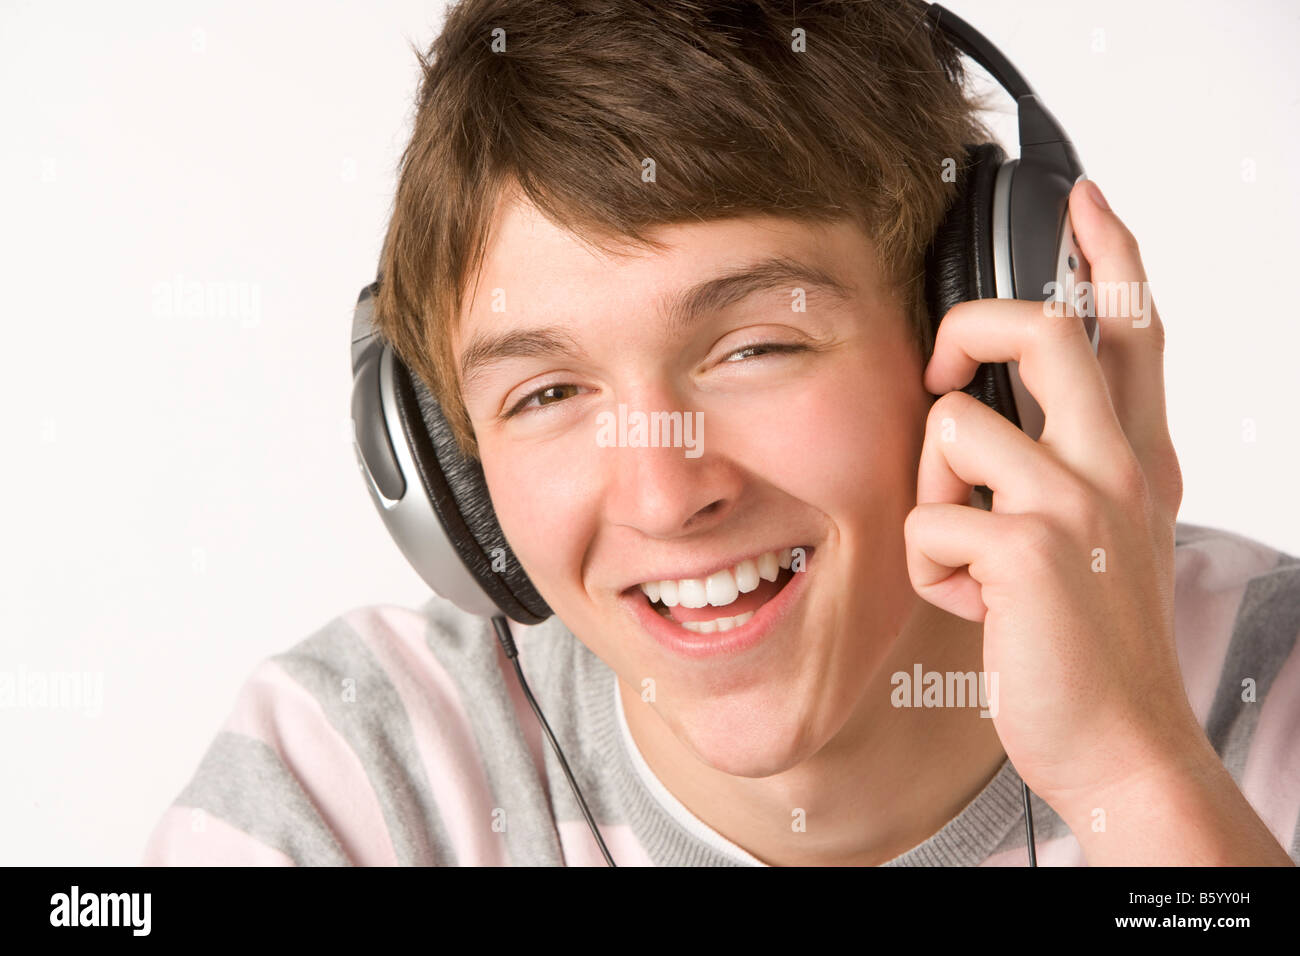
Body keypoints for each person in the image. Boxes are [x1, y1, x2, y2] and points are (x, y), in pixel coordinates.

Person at [142, 0, 1300, 866]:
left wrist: (1134, 773)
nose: (662, 492)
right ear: (451, 470)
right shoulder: (357, 775)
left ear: (981, 342)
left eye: (755, 347)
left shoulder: (1270, 695)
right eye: (547, 393)